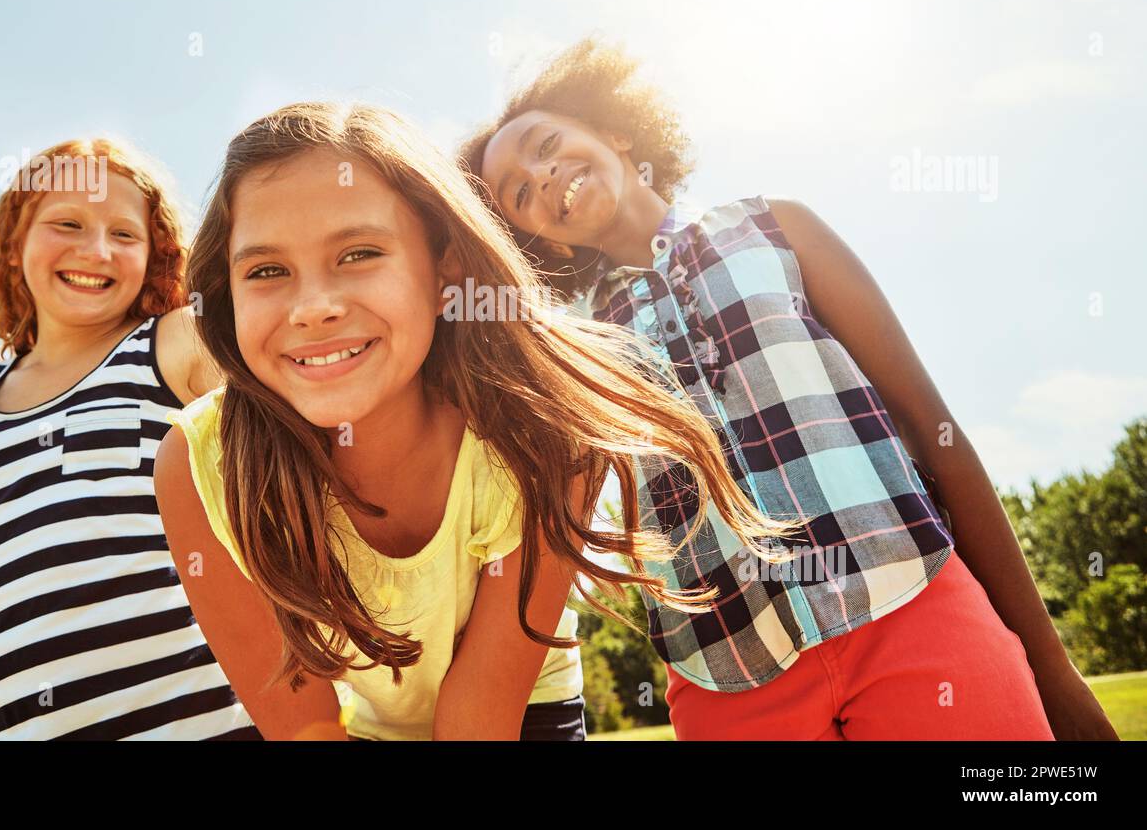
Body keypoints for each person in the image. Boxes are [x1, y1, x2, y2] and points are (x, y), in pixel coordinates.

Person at [461, 37, 1116, 739]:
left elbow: (932, 426)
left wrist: (1053, 668)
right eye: (519, 194)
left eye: (545, 144)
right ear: (545, 244)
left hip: (909, 600)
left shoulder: (776, 228)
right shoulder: (574, 346)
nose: (541, 175)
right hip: (726, 671)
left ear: (614, 130)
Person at [154, 101, 797, 740]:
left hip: (525, 712)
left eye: (359, 253)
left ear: (446, 271)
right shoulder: (198, 464)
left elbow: (480, 716)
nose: (313, 307)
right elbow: (307, 728)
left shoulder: (542, 431)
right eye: (267, 270)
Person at [0, 138, 258, 740]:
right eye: (68, 224)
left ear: (155, 256)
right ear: (15, 243)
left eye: (124, 234)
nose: (96, 250)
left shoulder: (177, 343)